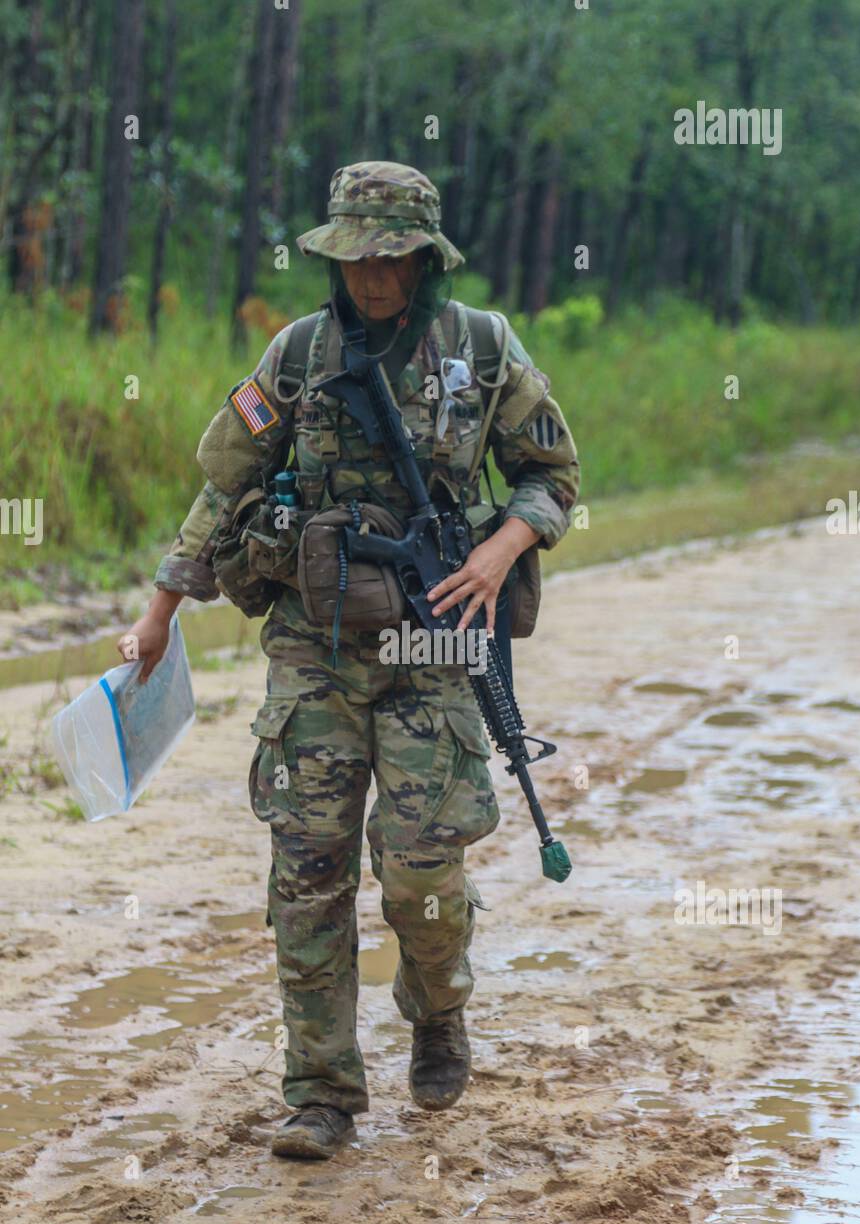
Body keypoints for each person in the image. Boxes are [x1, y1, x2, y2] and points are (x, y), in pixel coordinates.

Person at [119, 162, 579, 1160]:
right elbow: (222, 488)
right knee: (306, 873)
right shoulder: (298, 352)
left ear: (422, 257)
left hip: (430, 645)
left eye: (390, 259)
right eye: (355, 258)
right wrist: (159, 609)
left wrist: (500, 552)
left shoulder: (482, 347)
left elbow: (549, 475)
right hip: (312, 648)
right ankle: (320, 1095)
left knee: (422, 871)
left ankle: (436, 1007)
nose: (371, 278)